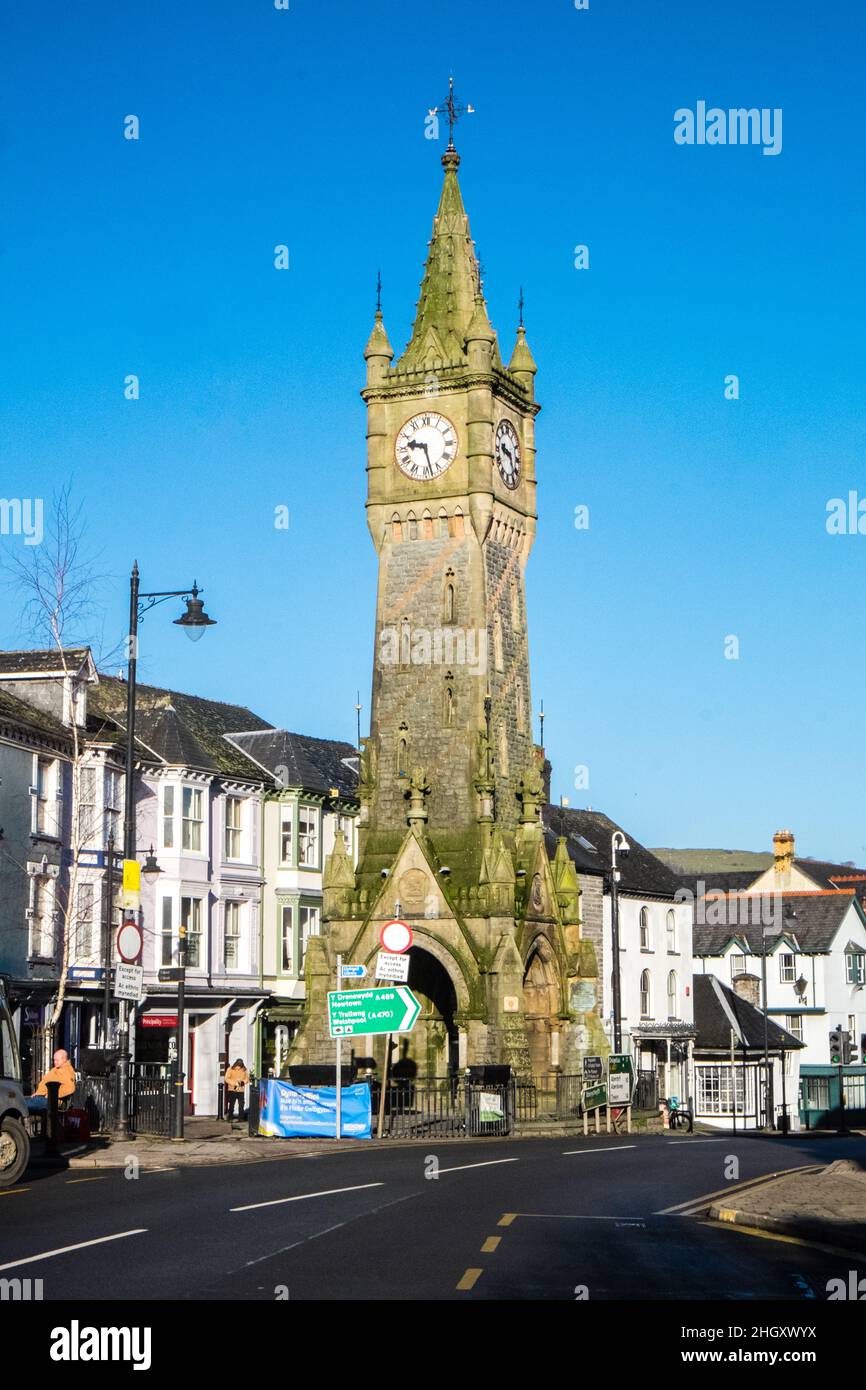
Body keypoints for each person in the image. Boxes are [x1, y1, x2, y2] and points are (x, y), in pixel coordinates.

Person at [224, 1057, 249, 1122]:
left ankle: (241, 1118)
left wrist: (243, 1082)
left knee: (241, 1104)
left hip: (241, 1090)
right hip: (232, 1089)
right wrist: (234, 1083)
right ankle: (230, 1117)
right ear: (236, 1064)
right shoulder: (230, 1069)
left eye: (240, 1064)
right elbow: (226, 1078)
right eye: (238, 1064)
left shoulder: (244, 1070)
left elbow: (247, 1078)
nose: (239, 1066)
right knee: (232, 1104)